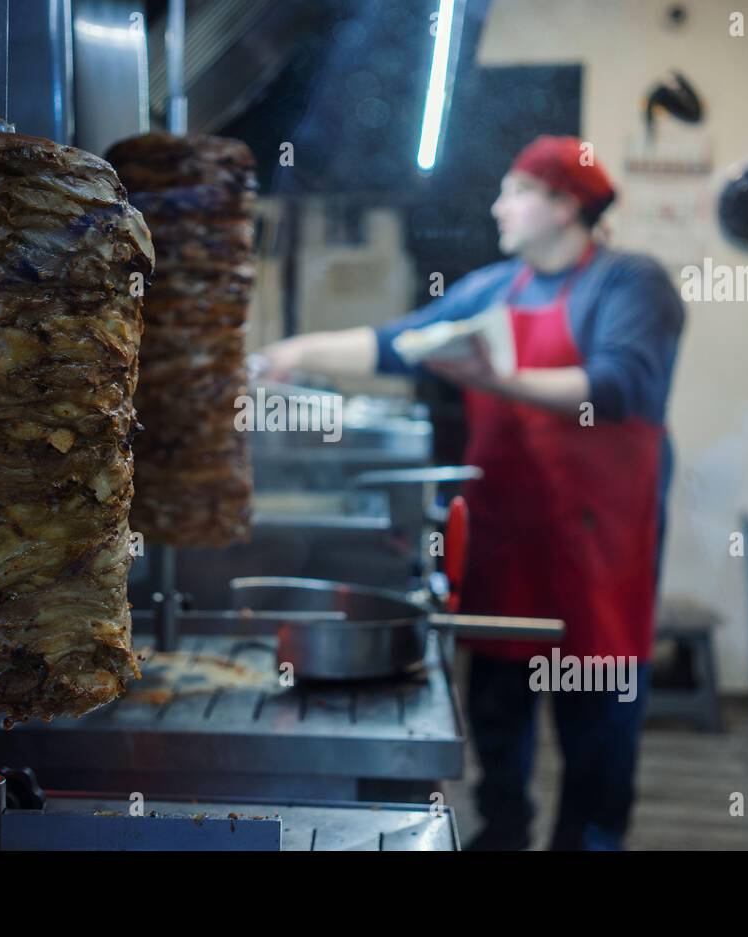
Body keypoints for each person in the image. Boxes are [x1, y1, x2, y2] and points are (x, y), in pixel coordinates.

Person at [258, 135, 685, 850]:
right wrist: (294, 353)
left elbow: (619, 386)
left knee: (598, 724)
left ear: (562, 203)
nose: (497, 205)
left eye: (514, 190)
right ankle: (504, 829)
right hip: (508, 543)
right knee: (497, 712)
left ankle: (591, 840)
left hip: (598, 552)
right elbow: (401, 342)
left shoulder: (630, 282)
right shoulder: (493, 288)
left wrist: (495, 380)